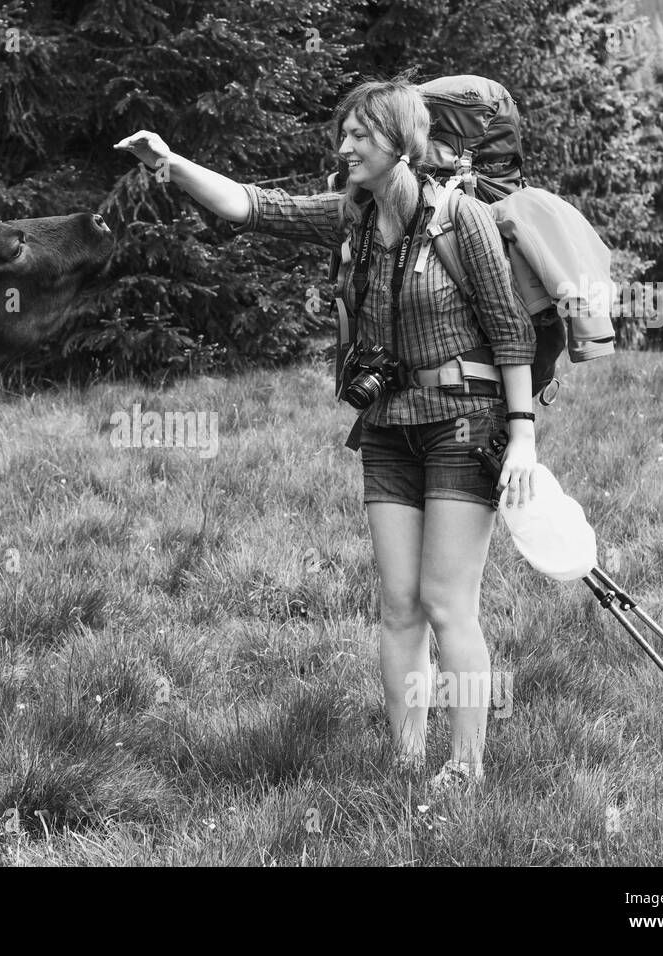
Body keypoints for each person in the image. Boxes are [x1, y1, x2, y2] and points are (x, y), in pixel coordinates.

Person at [114, 76, 539, 793]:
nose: (344, 147)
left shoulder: (462, 219)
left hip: (465, 424)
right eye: (342, 134)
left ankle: (465, 769)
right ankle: (407, 763)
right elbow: (254, 206)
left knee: (445, 603)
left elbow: (510, 332)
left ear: (401, 142)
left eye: (359, 136)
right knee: (399, 606)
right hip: (386, 430)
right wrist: (169, 162)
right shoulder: (351, 218)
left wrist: (523, 437)